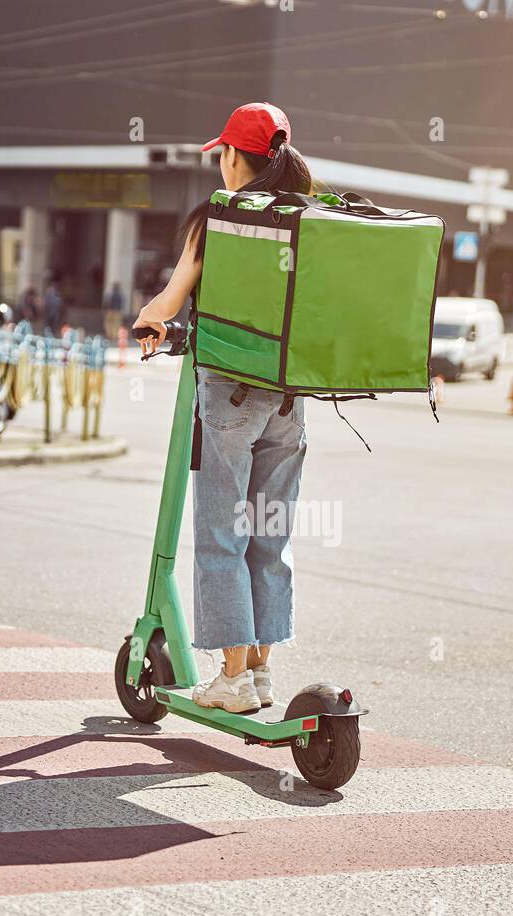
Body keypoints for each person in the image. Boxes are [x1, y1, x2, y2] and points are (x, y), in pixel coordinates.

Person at [133, 102, 310, 714]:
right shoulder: (306, 219)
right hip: (289, 399)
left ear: (237, 156)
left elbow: (173, 295)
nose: (221, 165)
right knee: (269, 534)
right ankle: (259, 670)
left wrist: (150, 319)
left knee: (220, 535)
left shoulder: (219, 220)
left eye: (223, 154)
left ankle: (231, 677)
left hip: (232, 396)